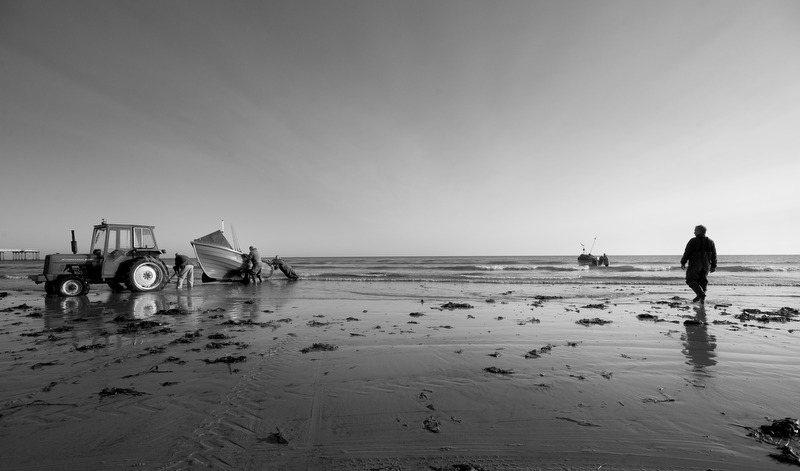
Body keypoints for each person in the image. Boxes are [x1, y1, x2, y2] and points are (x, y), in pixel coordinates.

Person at [680, 225, 717, 303]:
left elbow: (687, 252)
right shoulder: (711, 242)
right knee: (703, 281)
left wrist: (683, 261)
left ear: (699, 231)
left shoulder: (693, 241)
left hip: (695, 263)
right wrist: (714, 265)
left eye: (695, 230)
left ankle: (700, 294)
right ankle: (702, 300)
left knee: (690, 280)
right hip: (706, 264)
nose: (694, 232)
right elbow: (714, 254)